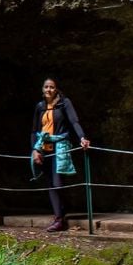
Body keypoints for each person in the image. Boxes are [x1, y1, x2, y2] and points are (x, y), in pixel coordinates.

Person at [30, 77, 91, 233]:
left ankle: (59, 218)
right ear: (42, 90)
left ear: (56, 89)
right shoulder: (40, 107)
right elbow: (34, 130)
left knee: (57, 182)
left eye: (52, 87)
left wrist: (82, 137)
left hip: (60, 146)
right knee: (51, 183)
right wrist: (34, 150)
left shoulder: (64, 103)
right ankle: (59, 216)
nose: (49, 89)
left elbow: (74, 121)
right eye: (46, 87)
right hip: (44, 146)